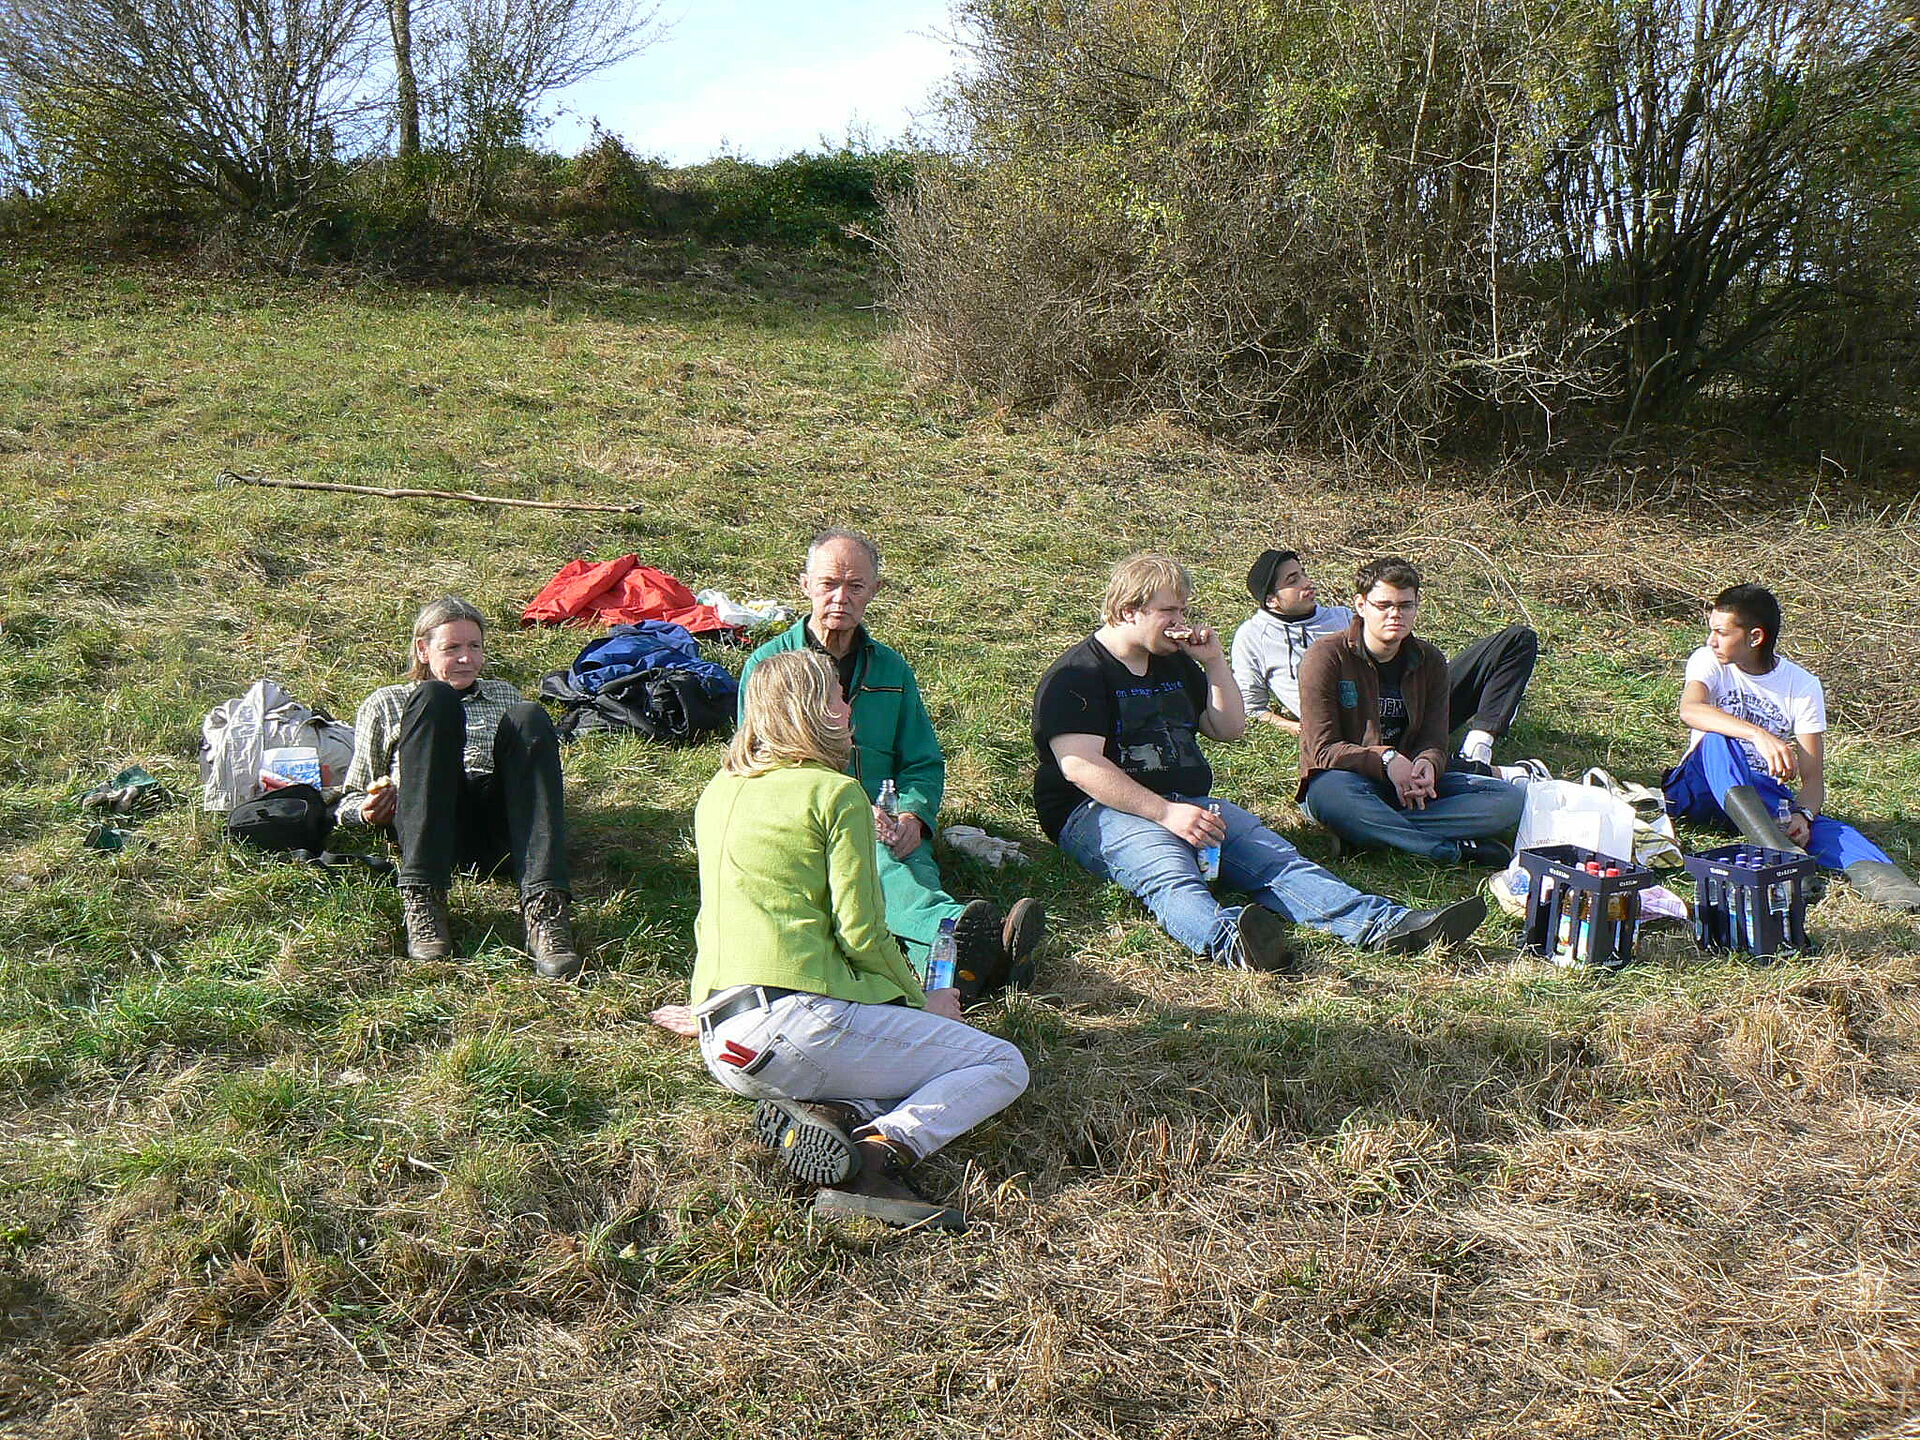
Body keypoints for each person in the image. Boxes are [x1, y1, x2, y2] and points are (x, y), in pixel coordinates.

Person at [671, 648, 1029, 1232]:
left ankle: (830, 1114)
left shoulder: (717, 793)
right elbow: (863, 933)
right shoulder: (837, 794)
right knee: (999, 1062)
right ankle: (875, 1154)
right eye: (839, 696)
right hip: (795, 1024)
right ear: (816, 710)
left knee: (902, 1060)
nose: (849, 707)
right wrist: (924, 1003)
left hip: (725, 1043)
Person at [1032, 553, 1487, 968]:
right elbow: (1080, 766)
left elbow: (1228, 729)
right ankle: (1235, 943)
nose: (1180, 622)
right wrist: (1165, 814)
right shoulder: (1078, 675)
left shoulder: (1173, 663)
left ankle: (1389, 926)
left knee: (1278, 860)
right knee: (1172, 873)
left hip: (1184, 799)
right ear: (1129, 611)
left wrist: (1212, 663)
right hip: (1094, 810)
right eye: (1168, 611)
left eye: (1184, 610)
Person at [739, 528, 1044, 996]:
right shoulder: (769, 665)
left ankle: (957, 979)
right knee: (880, 864)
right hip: (817, 822)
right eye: (828, 584)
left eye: (856, 586)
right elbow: (759, 764)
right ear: (804, 585)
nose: (840, 598)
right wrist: (857, 811)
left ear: (875, 591)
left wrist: (914, 816)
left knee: (912, 869)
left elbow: (922, 761)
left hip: (892, 824)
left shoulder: (892, 669)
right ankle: (963, 931)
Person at [336, 597, 580, 977]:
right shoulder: (386, 703)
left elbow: (529, 771)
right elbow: (348, 797)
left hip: (500, 828)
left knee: (530, 716)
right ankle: (424, 901)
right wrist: (366, 811)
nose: (466, 658)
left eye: (474, 647)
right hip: (432, 825)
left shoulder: (504, 696)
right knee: (435, 698)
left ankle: (546, 912)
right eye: (452, 648)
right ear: (423, 649)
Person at [1663, 583, 1920, 912]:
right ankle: (1782, 857)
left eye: (1721, 632)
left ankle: (1890, 885)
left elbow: (1813, 781)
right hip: (1698, 789)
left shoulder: (1802, 686)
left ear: (1755, 637)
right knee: (1717, 737)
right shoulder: (1708, 660)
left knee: (1832, 829)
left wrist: (1803, 814)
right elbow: (1691, 710)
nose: (1711, 640)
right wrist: (1759, 735)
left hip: (1758, 797)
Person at [1294, 557, 1527, 866]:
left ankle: (1368, 833)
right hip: (1347, 779)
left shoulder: (1429, 660)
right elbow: (1322, 750)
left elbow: (1434, 739)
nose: (1395, 614)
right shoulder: (1326, 657)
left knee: (1507, 800)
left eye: (1405, 606)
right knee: (1331, 796)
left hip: (1408, 787)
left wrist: (1427, 766)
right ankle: (1449, 851)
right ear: (1361, 605)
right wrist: (1386, 760)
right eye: (1384, 605)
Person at [1233, 547, 1543, 776]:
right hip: (1351, 725)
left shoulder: (1344, 616)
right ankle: (1481, 776)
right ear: (1271, 599)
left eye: (1303, 573)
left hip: (1405, 707)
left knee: (1517, 639)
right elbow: (1253, 709)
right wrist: (1304, 727)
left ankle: (1478, 746)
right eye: (1293, 580)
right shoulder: (1253, 636)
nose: (1307, 582)